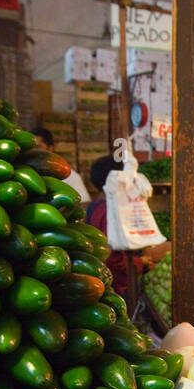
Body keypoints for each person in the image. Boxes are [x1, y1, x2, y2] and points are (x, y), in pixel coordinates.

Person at [84, 155, 132, 295]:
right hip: (115, 285)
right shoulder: (111, 210)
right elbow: (111, 256)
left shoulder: (93, 206)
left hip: (99, 278)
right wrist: (141, 263)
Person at [32, 126, 91, 203]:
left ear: (50, 148)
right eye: (30, 147)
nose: (32, 151)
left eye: (37, 147)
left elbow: (84, 204)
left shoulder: (70, 176)